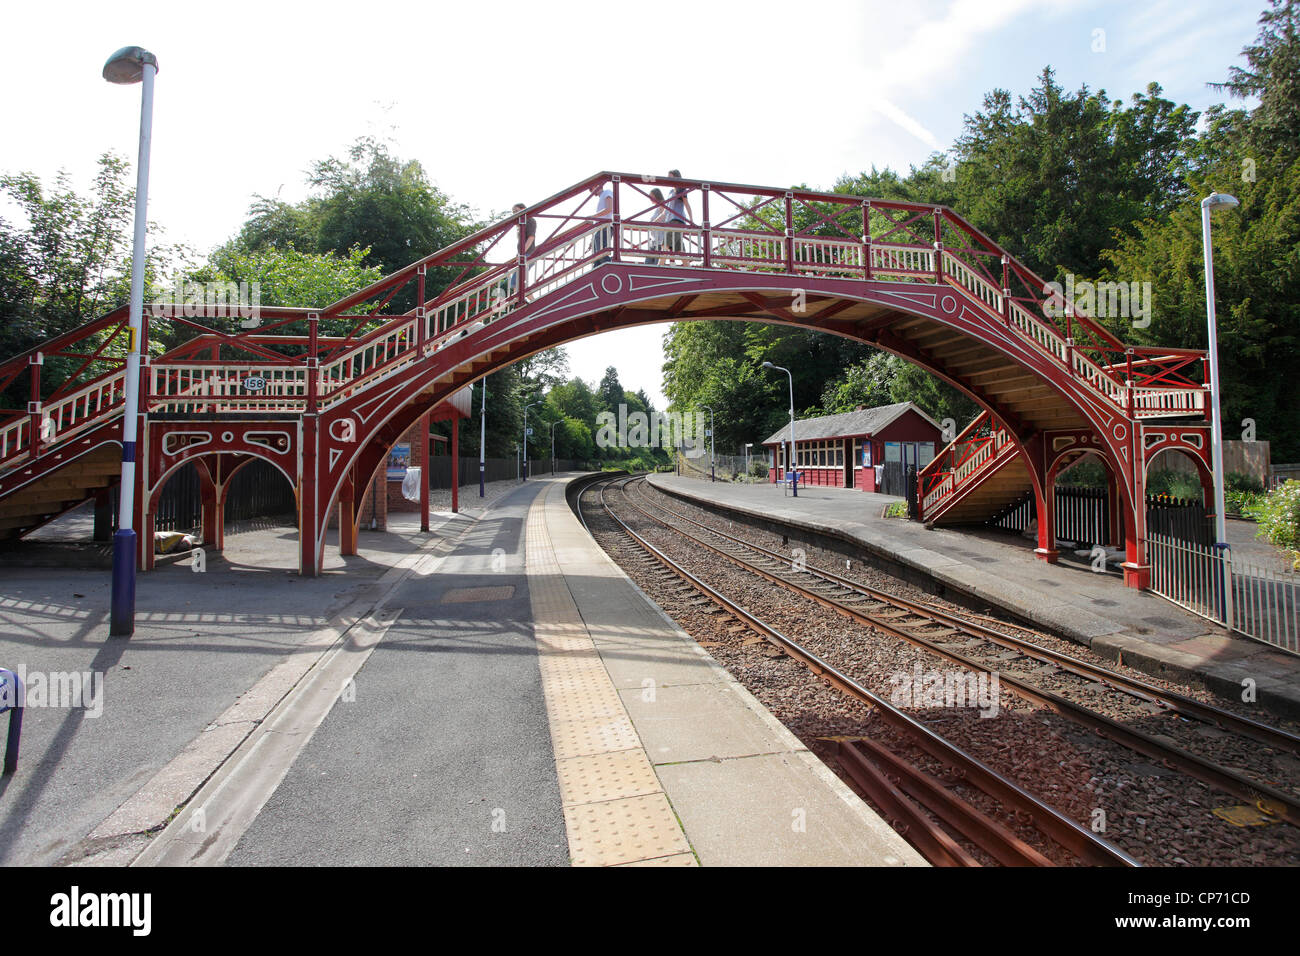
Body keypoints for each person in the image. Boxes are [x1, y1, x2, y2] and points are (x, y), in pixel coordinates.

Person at [505, 202, 536, 301]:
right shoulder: (521, 224)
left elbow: (531, 238)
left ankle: (525, 302)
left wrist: (521, 253)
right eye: (513, 212)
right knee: (519, 282)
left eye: (516, 211)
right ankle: (522, 302)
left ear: (523, 209)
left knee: (516, 281)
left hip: (528, 254)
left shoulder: (530, 220)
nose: (514, 214)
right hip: (523, 254)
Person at [666, 170, 692, 263]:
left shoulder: (681, 189)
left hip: (677, 220)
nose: (668, 179)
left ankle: (659, 266)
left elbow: (686, 204)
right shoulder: (670, 191)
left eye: (670, 177)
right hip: (670, 221)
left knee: (665, 245)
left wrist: (691, 220)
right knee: (679, 248)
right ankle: (688, 268)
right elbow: (666, 209)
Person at [589, 180, 614, 265]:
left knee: (601, 254)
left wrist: (593, 216)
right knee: (597, 258)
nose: (592, 191)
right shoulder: (602, 196)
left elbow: (609, 209)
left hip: (604, 228)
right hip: (600, 229)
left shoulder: (607, 192)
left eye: (592, 188)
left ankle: (611, 267)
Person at [645, 188, 667, 265]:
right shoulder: (657, 207)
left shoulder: (663, 205)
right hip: (653, 242)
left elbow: (663, 216)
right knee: (647, 266)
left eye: (651, 196)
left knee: (656, 266)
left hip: (660, 242)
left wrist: (652, 224)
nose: (649, 198)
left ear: (656, 196)